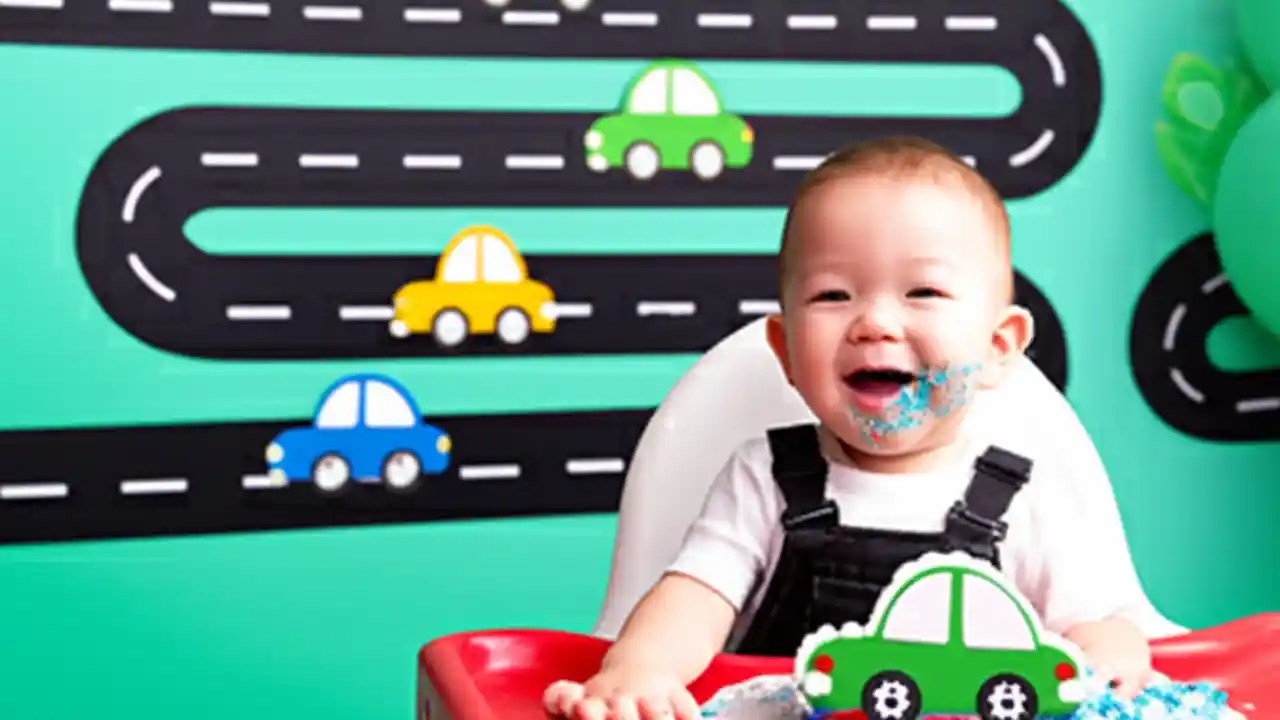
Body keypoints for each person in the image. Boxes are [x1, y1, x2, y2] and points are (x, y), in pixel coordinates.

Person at [544, 136, 1158, 720]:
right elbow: (695, 600)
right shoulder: (766, 479)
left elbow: (1097, 624)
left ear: (999, 346)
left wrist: (1111, 664)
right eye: (833, 294)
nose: (875, 321)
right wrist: (642, 670)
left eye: (923, 290)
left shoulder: (1027, 499)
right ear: (785, 351)